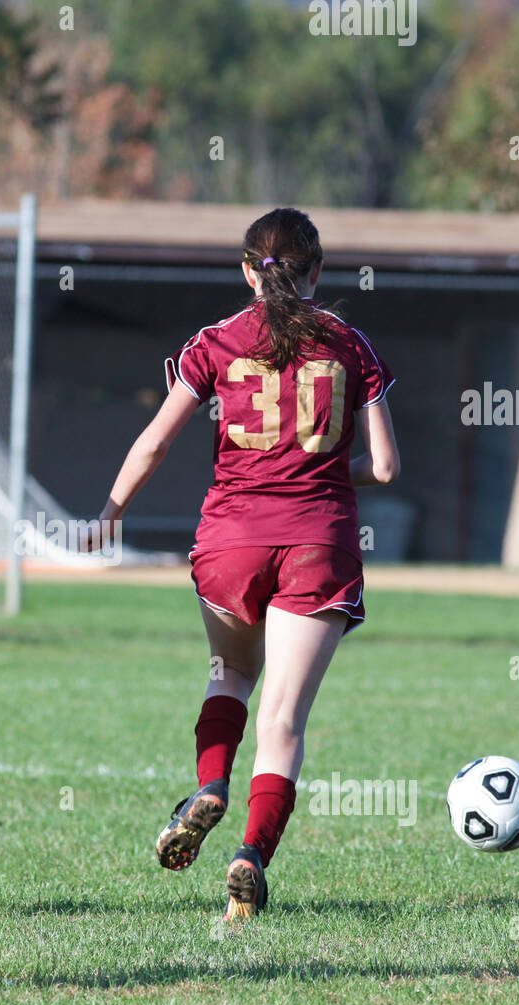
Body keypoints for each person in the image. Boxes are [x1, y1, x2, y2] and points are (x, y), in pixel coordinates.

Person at [92, 207, 399, 921]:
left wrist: (109, 514)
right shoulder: (351, 344)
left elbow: (155, 442)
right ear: (318, 271)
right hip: (318, 544)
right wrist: (317, 474)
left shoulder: (215, 342)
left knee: (230, 672)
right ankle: (250, 856)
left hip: (230, 543)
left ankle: (210, 786)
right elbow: (384, 467)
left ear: (244, 271)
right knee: (284, 720)